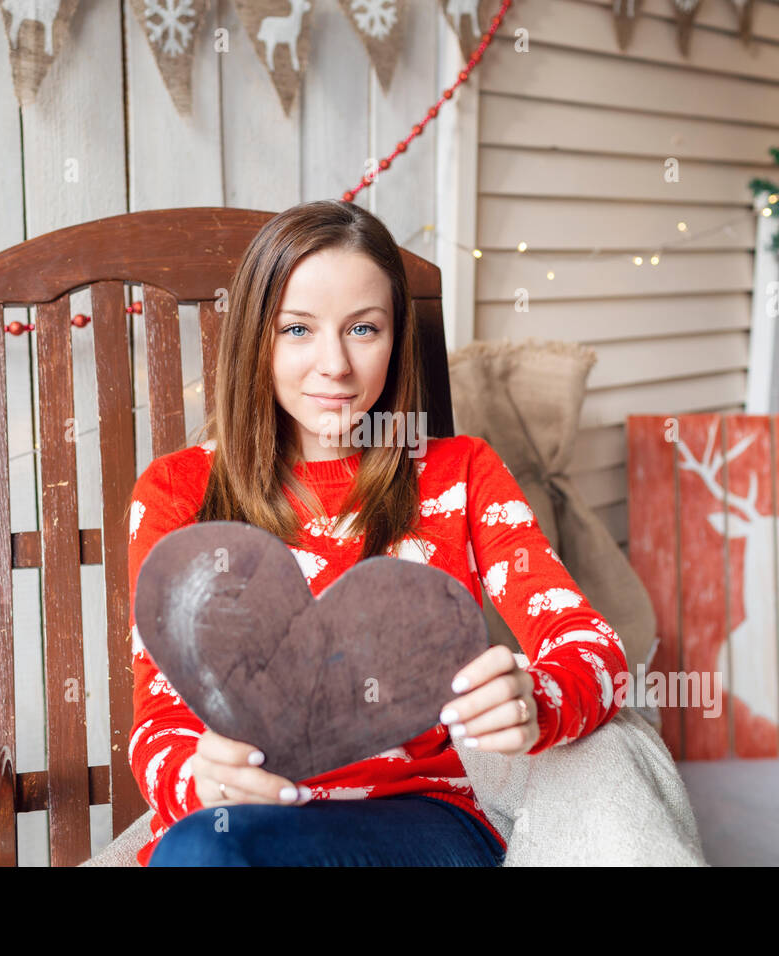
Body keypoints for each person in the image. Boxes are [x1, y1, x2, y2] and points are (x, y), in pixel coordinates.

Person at [126, 199, 628, 866]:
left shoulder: (461, 474)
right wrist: (197, 779)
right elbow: (156, 720)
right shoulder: (178, 492)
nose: (334, 364)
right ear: (255, 338)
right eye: (297, 330)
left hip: (424, 827)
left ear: (395, 339)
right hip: (244, 829)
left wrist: (540, 700)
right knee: (200, 852)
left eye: (363, 330)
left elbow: (594, 646)